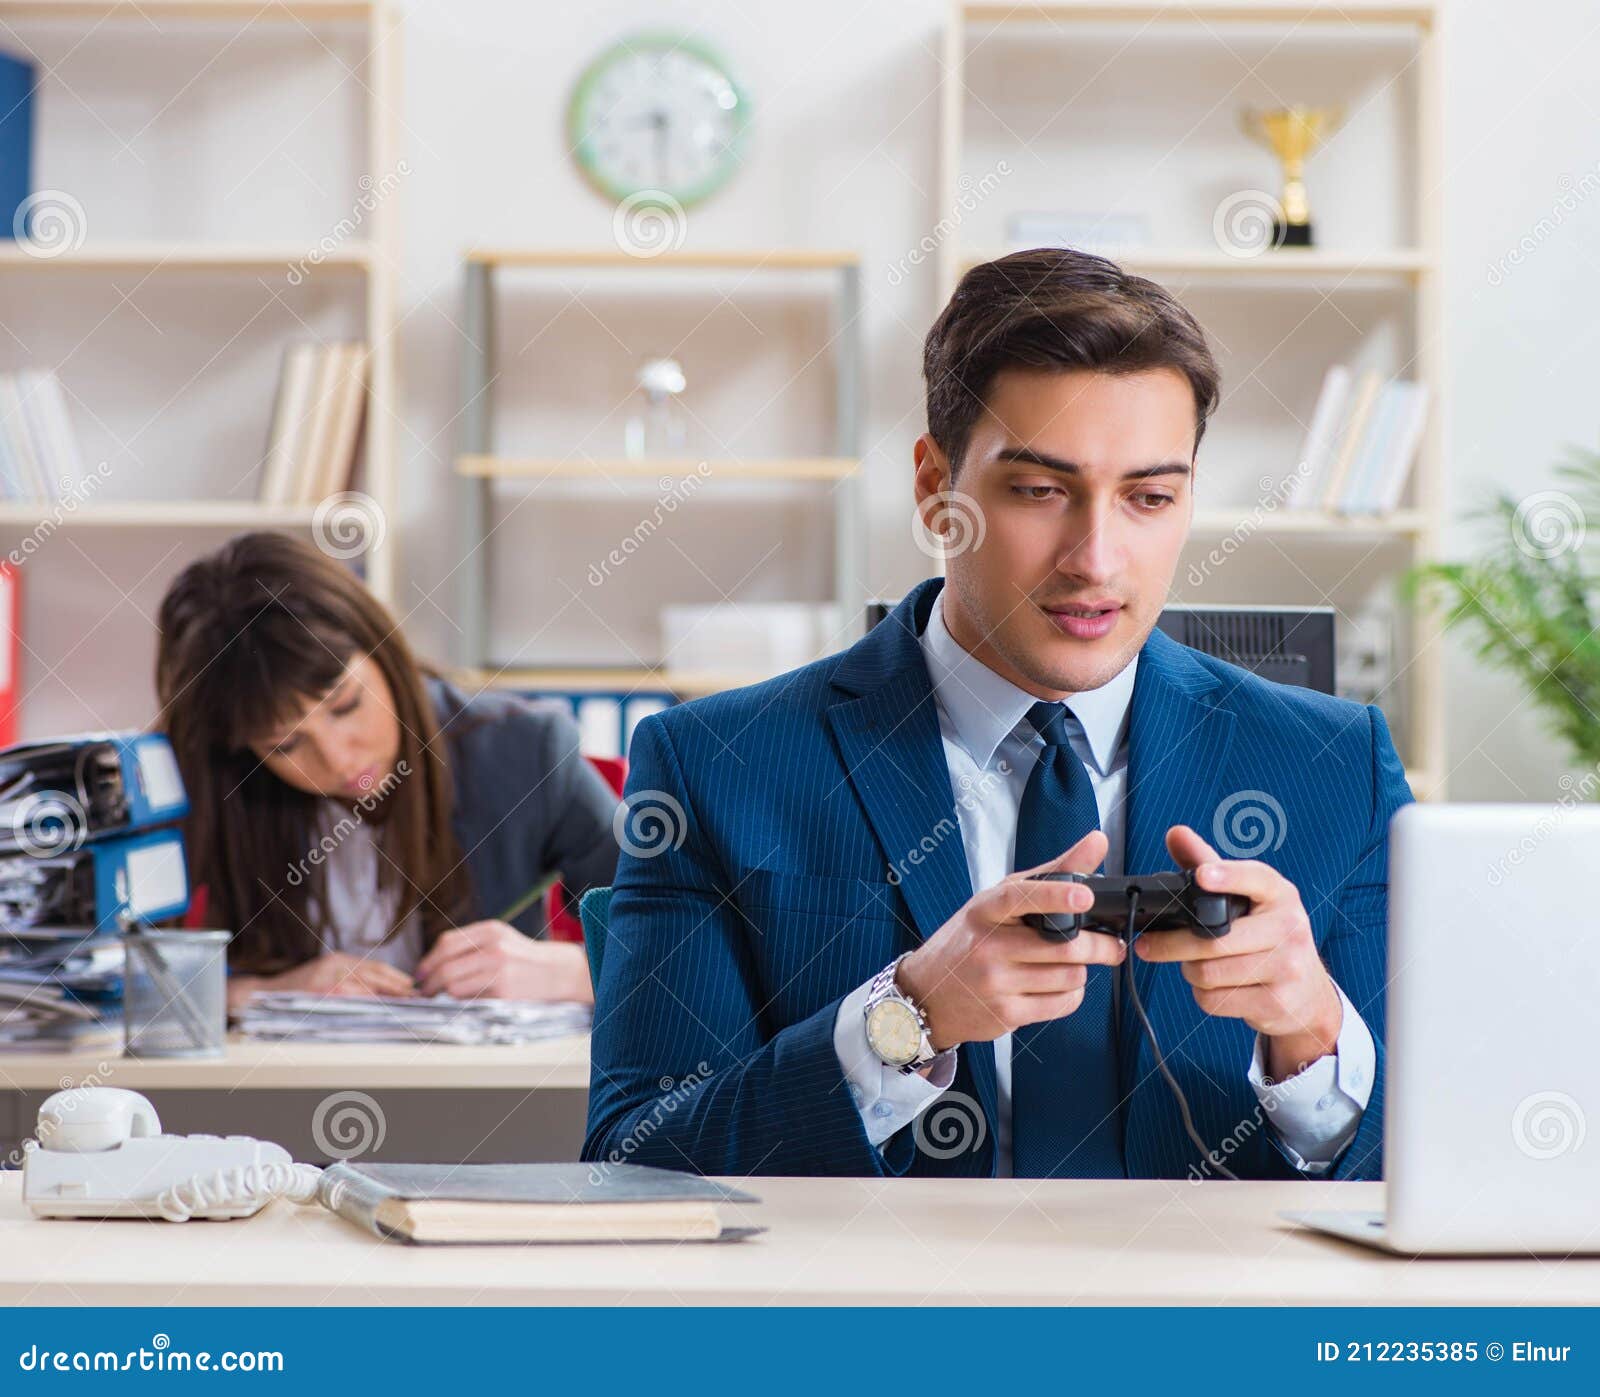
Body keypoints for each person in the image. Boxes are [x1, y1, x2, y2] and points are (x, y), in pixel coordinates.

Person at [583, 247, 1410, 1181]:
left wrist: (1312, 1035)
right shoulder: (716, 763)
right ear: (936, 486)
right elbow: (632, 1159)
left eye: (1149, 497)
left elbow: (1454, 1162)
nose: (1097, 558)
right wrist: (904, 1018)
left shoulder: (1339, 765)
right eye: (1040, 491)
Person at [156, 531, 619, 1011]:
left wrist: (573, 972)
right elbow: (98, 980)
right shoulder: (196, 780)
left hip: (477, 1085)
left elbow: (685, 938)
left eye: (346, 705)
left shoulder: (524, 751)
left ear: (383, 650)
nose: (337, 759)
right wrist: (260, 993)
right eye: (285, 745)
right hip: (274, 1083)